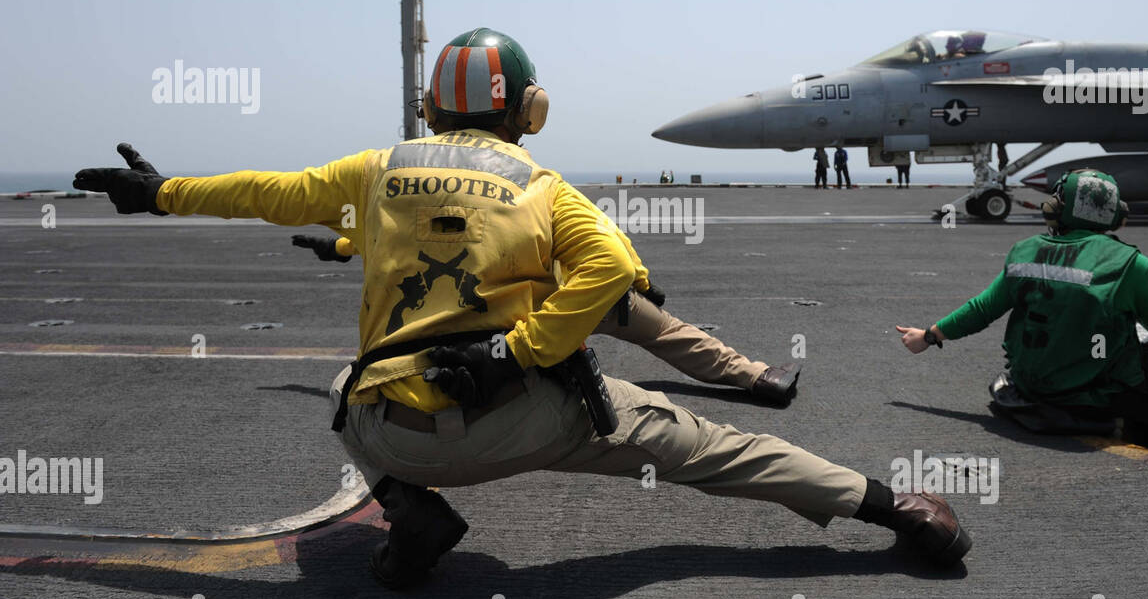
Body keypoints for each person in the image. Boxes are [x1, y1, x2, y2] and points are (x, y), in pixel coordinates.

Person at [75, 27, 971, 589]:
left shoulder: (378, 169)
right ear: (528, 108)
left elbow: (264, 191)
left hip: (396, 427)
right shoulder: (546, 188)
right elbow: (615, 268)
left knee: (345, 389)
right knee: (717, 449)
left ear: (431, 106)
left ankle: (405, 509)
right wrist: (518, 350)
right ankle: (894, 510)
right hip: (533, 419)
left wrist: (160, 192)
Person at [293, 227, 803, 405]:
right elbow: (611, 242)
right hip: (599, 295)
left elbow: (400, 242)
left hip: (536, 313)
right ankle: (760, 378)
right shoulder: (547, 192)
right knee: (674, 335)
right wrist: (643, 281)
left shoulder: (470, 209)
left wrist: (339, 247)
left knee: (507, 357)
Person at [894, 169, 1148, 452]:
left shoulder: (1025, 251)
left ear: (1058, 209)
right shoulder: (1132, 264)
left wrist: (928, 336)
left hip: (1028, 390)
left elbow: (983, 308)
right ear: (1116, 216)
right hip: (1092, 397)